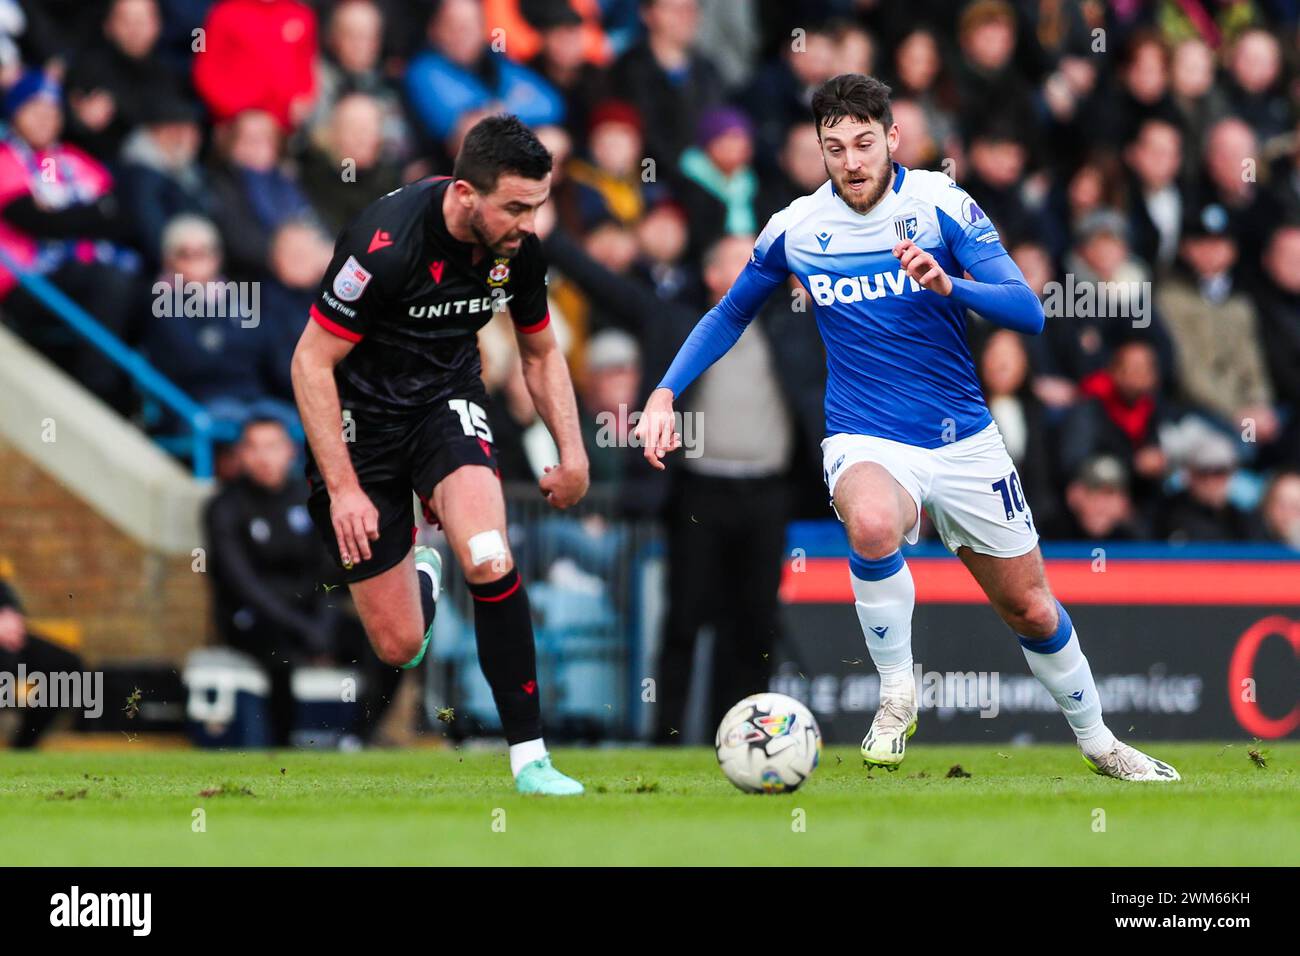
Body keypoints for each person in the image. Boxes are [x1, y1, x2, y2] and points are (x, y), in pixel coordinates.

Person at [634, 73, 1181, 782]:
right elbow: (730, 312)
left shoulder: (941, 206)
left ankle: (1100, 742)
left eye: (865, 143)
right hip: (867, 435)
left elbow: (1027, 310)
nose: (853, 161)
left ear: (893, 138)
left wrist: (951, 285)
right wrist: (665, 391)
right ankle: (898, 694)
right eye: (836, 148)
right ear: (820, 151)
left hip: (964, 444)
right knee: (868, 522)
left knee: (1032, 606)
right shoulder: (797, 229)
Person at [290, 114, 588, 795]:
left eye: (537, 205)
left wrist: (573, 452)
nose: (527, 222)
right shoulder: (384, 245)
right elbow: (310, 364)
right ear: (463, 195)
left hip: (444, 405)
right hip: (359, 426)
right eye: (514, 206)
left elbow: (540, 354)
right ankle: (421, 573)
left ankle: (530, 760)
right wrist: (344, 489)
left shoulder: (521, 249)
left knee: (488, 554)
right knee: (398, 646)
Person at [204, 415, 398, 746]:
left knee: (390, 645)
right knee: (279, 654)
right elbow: (243, 585)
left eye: (272, 447)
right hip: (254, 620)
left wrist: (321, 624)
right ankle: (283, 744)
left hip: (311, 614)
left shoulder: (309, 500)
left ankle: (358, 737)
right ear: (241, 455)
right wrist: (302, 629)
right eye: (254, 448)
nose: (263, 457)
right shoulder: (224, 507)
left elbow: (328, 573)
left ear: (290, 452)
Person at [0, 575, 87, 748]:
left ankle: (24, 746)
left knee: (68, 667)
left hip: (10, 645)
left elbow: (7, 601)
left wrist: (10, 616)